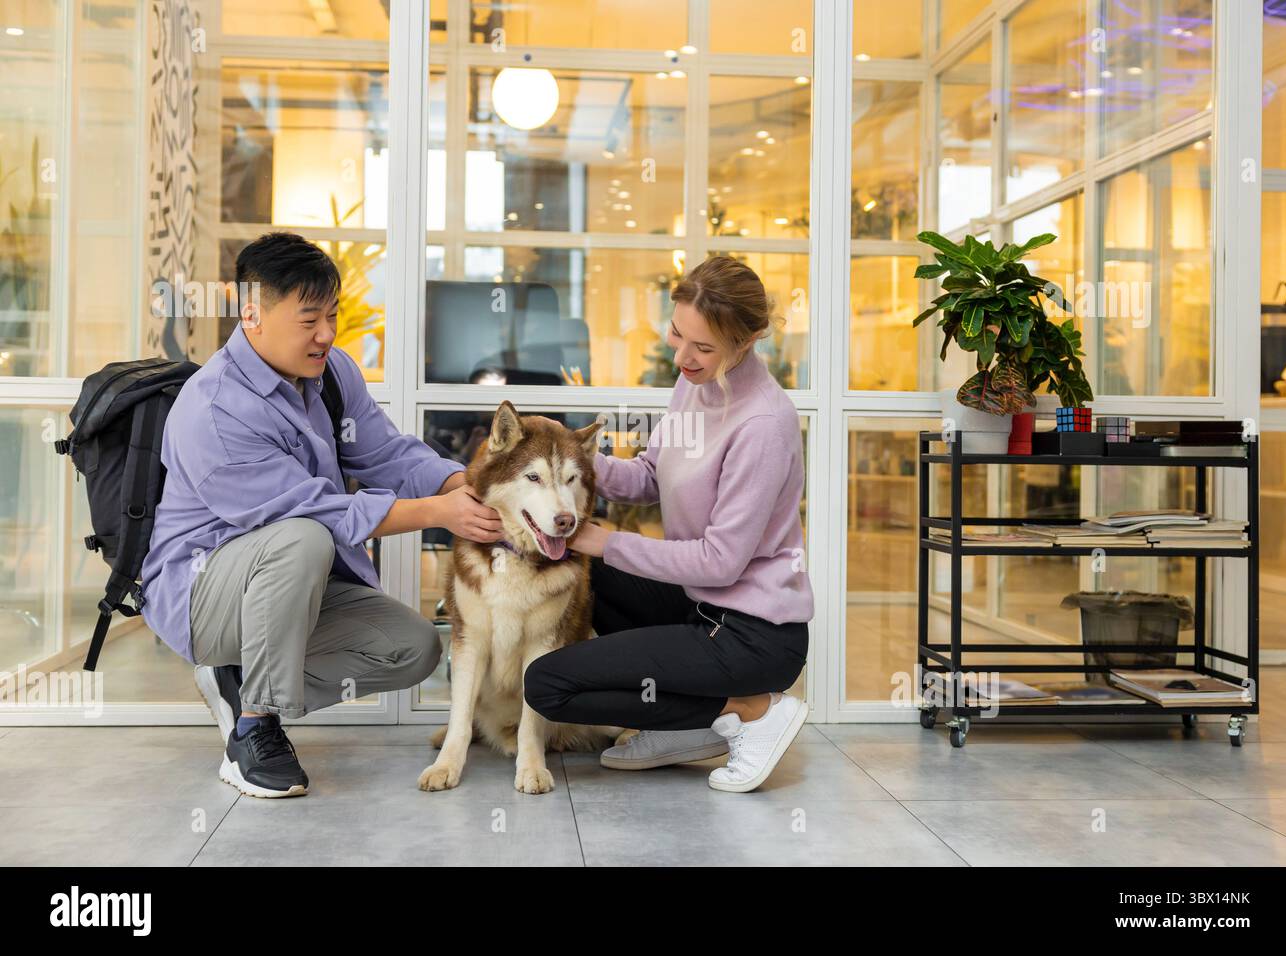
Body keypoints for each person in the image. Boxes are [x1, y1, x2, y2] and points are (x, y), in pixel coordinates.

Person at [140, 232, 502, 798]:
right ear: (253, 314)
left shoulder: (331, 374)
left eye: (332, 315)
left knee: (412, 646)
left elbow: (385, 452)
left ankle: (237, 680)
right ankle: (255, 728)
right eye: (309, 319)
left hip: (288, 584)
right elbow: (319, 513)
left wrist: (463, 484)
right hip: (202, 592)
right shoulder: (215, 409)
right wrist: (438, 512)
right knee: (303, 537)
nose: (327, 334)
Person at [523, 255, 814, 793]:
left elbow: (720, 562)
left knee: (547, 685)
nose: (683, 356)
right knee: (588, 565)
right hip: (694, 604)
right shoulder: (696, 383)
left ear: (746, 341)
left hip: (752, 635)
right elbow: (651, 476)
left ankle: (748, 708)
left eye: (702, 347)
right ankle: (684, 721)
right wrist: (574, 456)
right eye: (678, 334)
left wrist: (609, 541)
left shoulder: (764, 424)